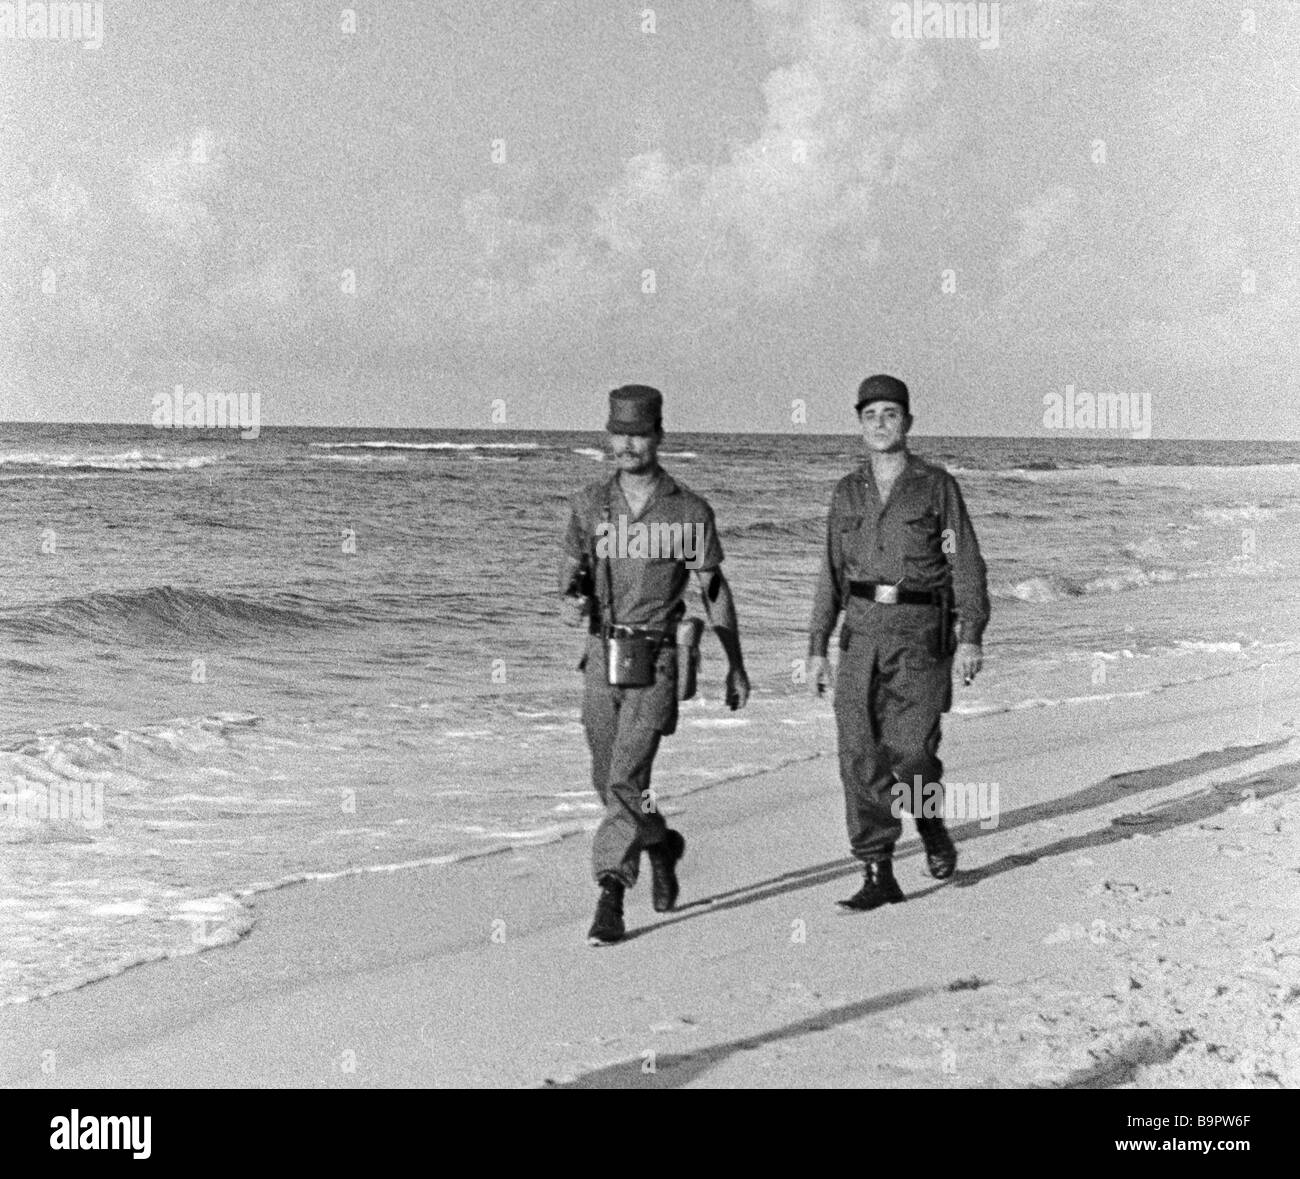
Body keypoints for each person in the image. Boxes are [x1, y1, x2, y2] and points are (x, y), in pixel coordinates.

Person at [560, 385, 750, 946]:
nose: (628, 443)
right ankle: (661, 841)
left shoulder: (688, 510)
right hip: (601, 656)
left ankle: (610, 894)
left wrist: (734, 664)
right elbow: (571, 576)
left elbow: (713, 589)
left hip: (659, 658)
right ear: (607, 435)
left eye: (639, 434)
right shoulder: (588, 505)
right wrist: (571, 599)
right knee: (608, 779)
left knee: (626, 776)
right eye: (619, 432)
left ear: (659, 437)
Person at [806, 374, 989, 910]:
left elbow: (965, 562)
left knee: (910, 753)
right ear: (859, 424)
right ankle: (877, 869)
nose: (881, 424)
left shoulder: (936, 487)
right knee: (860, 756)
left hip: (919, 637)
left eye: (891, 414)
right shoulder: (847, 491)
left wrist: (971, 634)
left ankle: (928, 821)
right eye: (870, 415)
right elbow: (831, 572)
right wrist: (816, 645)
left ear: (907, 422)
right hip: (859, 635)